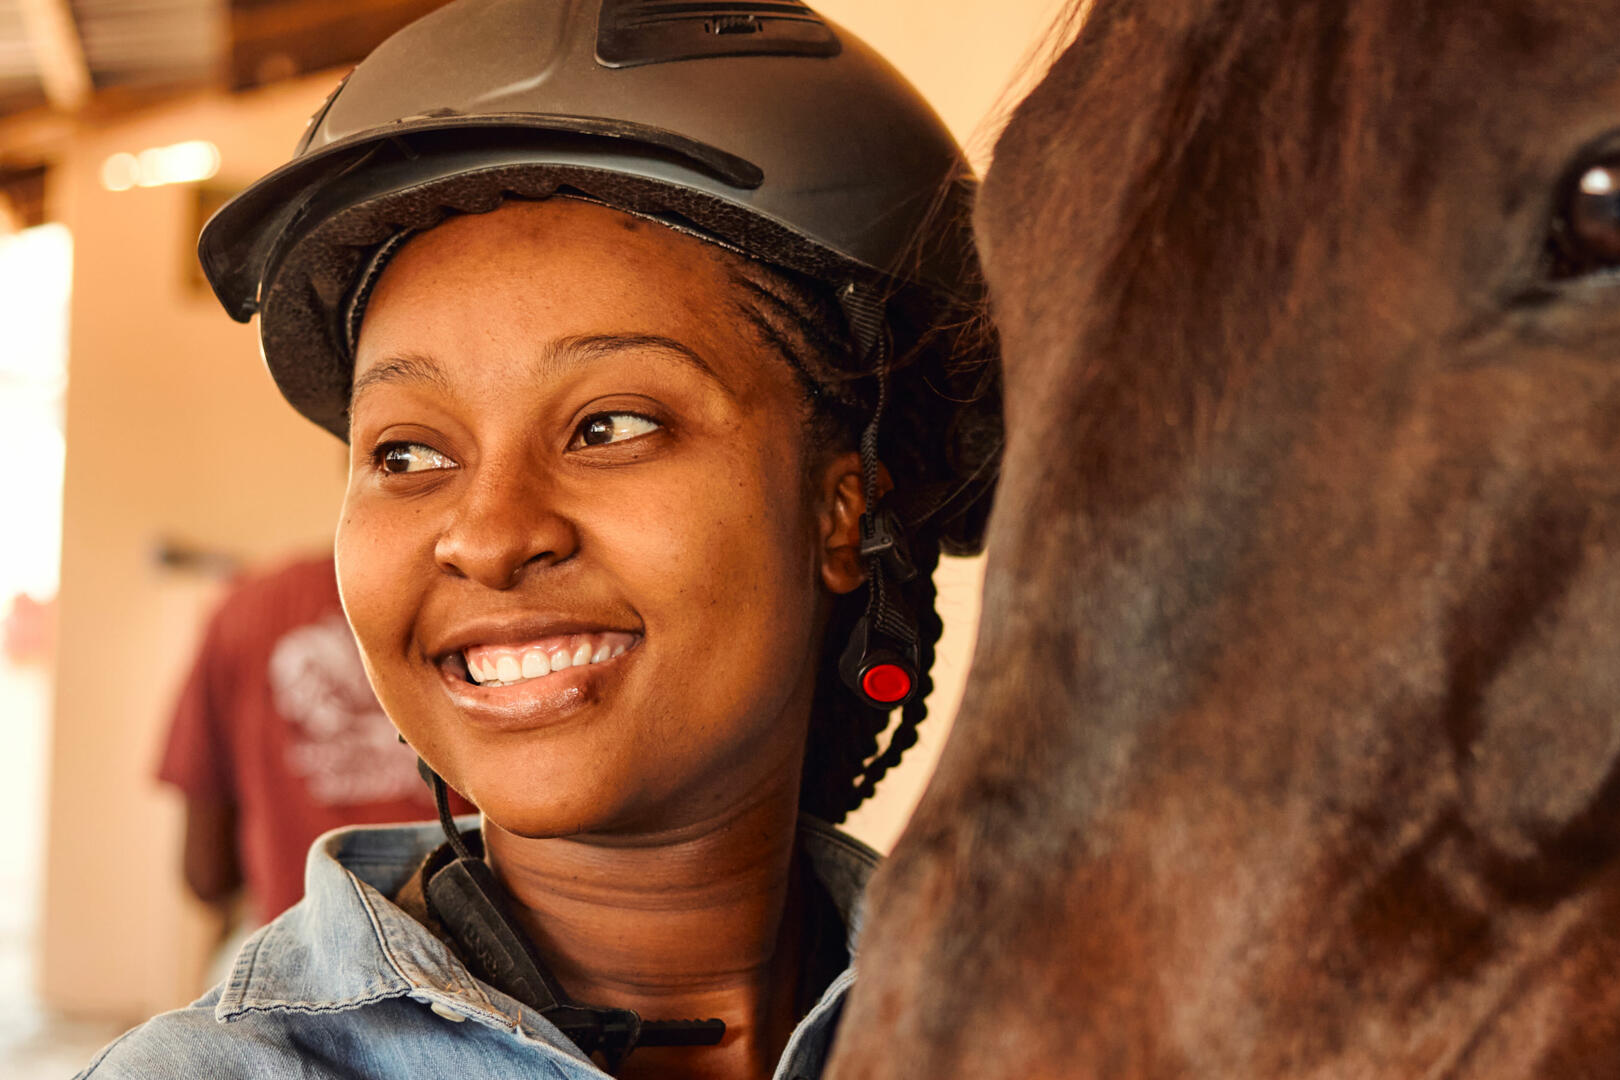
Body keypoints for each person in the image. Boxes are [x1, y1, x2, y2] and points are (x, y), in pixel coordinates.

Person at [79, 1, 998, 1077]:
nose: (488, 535)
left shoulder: (1076, 1037)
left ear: (850, 510)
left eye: (610, 427)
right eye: (407, 454)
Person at [157, 552, 472, 931]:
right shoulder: (475, 593)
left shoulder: (244, 612)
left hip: (305, 949)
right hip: (474, 951)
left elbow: (207, 875)